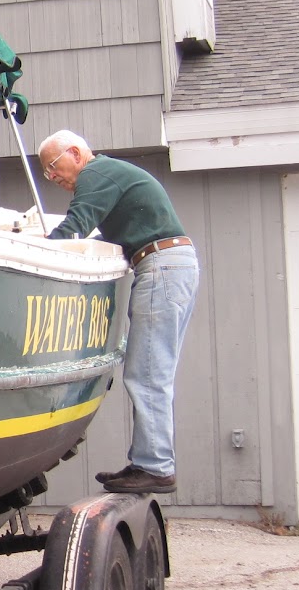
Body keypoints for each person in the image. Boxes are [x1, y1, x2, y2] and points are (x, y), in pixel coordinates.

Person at [40, 129, 198, 495]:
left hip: (161, 267)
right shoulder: (112, 175)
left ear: (75, 153)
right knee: (154, 371)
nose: (52, 176)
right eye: (47, 172)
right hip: (173, 264)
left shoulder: (95, 174)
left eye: (53, 166)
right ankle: (149, 461)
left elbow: (74, 229)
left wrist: (34, 249)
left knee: (147, 373)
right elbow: (105, 241)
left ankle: (155, 466)